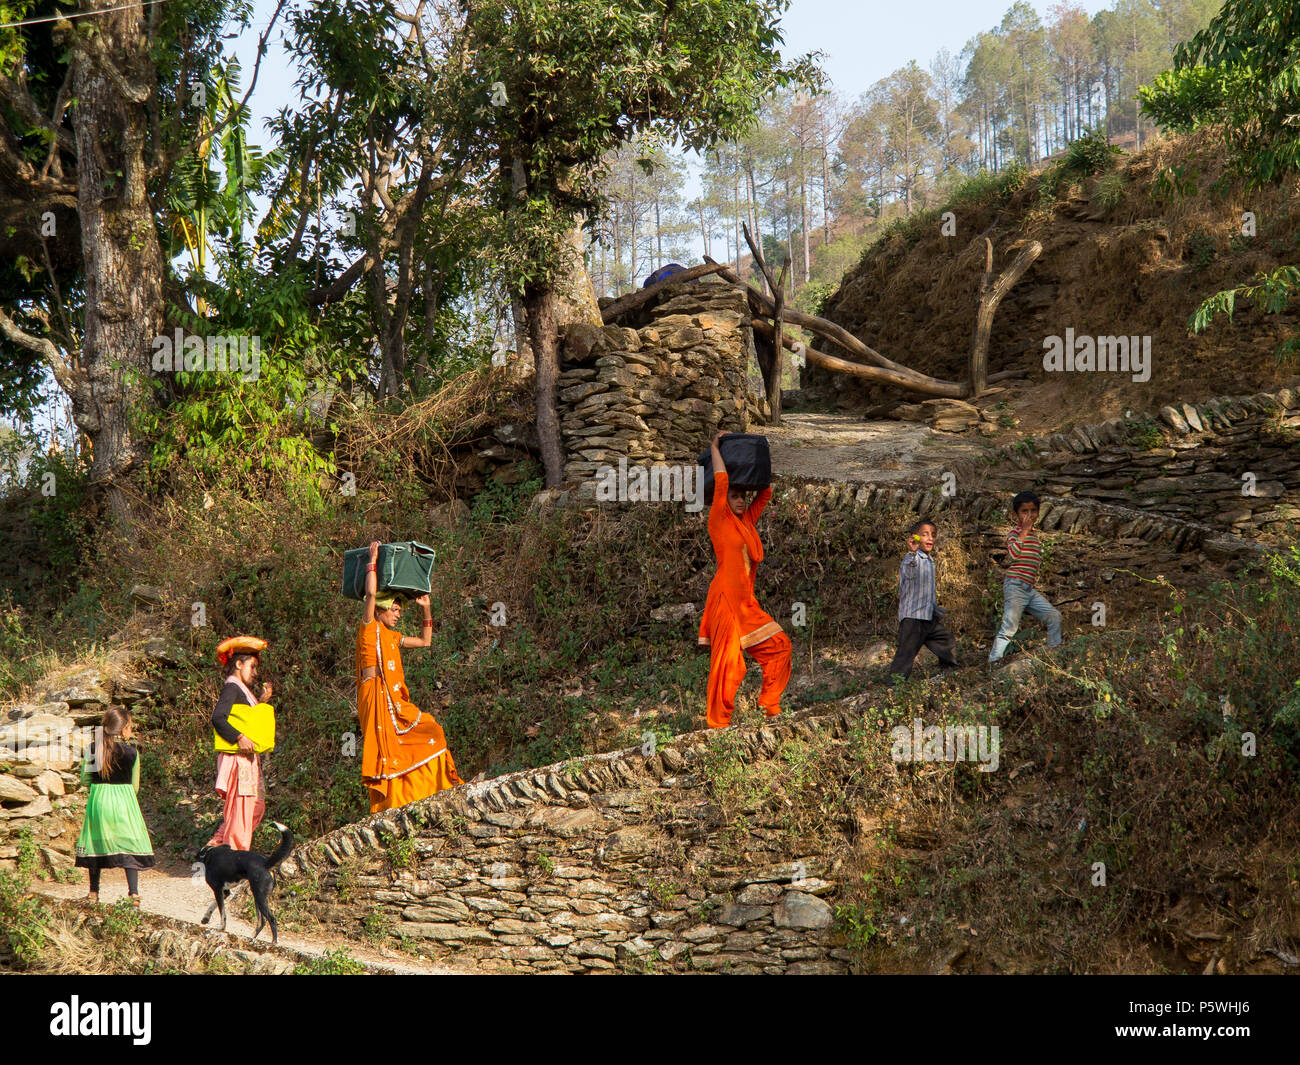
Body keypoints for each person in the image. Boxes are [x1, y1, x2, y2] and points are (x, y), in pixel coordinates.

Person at [356, 540, 462, 812]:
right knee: (385, 752)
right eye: (395, 610)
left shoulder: (394, 638)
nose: (398, 615)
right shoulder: (369, 629)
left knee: (432, 731)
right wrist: (372, 560)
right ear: (381, 609)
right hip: (375, 698)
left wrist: (426, 609)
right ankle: (393, 803)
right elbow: (369, 595)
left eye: (401, 611)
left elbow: (426, 642)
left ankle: (426, 792)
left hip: (397, 701)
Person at [698, 430, 792, 728]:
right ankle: (718, 723)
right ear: (724, 498)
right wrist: (715, 446)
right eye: (735, 497)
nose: (740, 501)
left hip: (746, 603)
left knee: (780, 645)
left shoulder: (746, 521)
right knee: (730, 666)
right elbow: (722, 481)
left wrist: (760, 459)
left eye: (742, 497)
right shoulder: (719, 519)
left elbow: (765, 493)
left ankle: (770, 704)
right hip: (725, 600)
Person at [76, 707, 154, 906]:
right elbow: (135, 786)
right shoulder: (132, 753)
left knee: (95, 843)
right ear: (124, 729)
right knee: (129, 843)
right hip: (124, 801)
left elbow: (85, 779)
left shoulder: (93, 750)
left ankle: (93, 893)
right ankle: (133, 893)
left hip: (99, 800)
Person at [205, 636, 272, 850]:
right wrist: (239, 737)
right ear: (238, 664)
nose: (255, 672)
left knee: (254, 807)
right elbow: (218, 717)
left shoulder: (241, 689)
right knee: (242, 809)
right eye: (252, 667)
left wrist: (262, 702)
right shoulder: (232, 687)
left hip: (247, 760)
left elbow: (246, 720)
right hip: (239, 760)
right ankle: (234, 855)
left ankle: (217, 847)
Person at [989, 490, 1063, 664]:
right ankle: (994, 662)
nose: (1029, 515)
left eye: (1033, 511)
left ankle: (1054, 653)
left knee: (1054, 616)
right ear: (1016, 514)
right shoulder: (1014, 533)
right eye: (1024, 511)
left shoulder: (1035, 538)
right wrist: (1024, 532)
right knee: (1009, 627)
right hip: (1015, 585)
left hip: (1028, 589)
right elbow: (1013, 556)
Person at [887, 519, 958, 684]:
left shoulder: (929, 560)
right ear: (914, 538)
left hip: (927, 616)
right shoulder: (912, 559)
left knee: (946, 639)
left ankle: (949, 671)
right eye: (924, 535)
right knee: (906, 654)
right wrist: (912, 552)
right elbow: (909, 573)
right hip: (913, 618)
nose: (930, 538)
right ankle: (894, 686)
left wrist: (936, 609)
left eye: (933, 535)